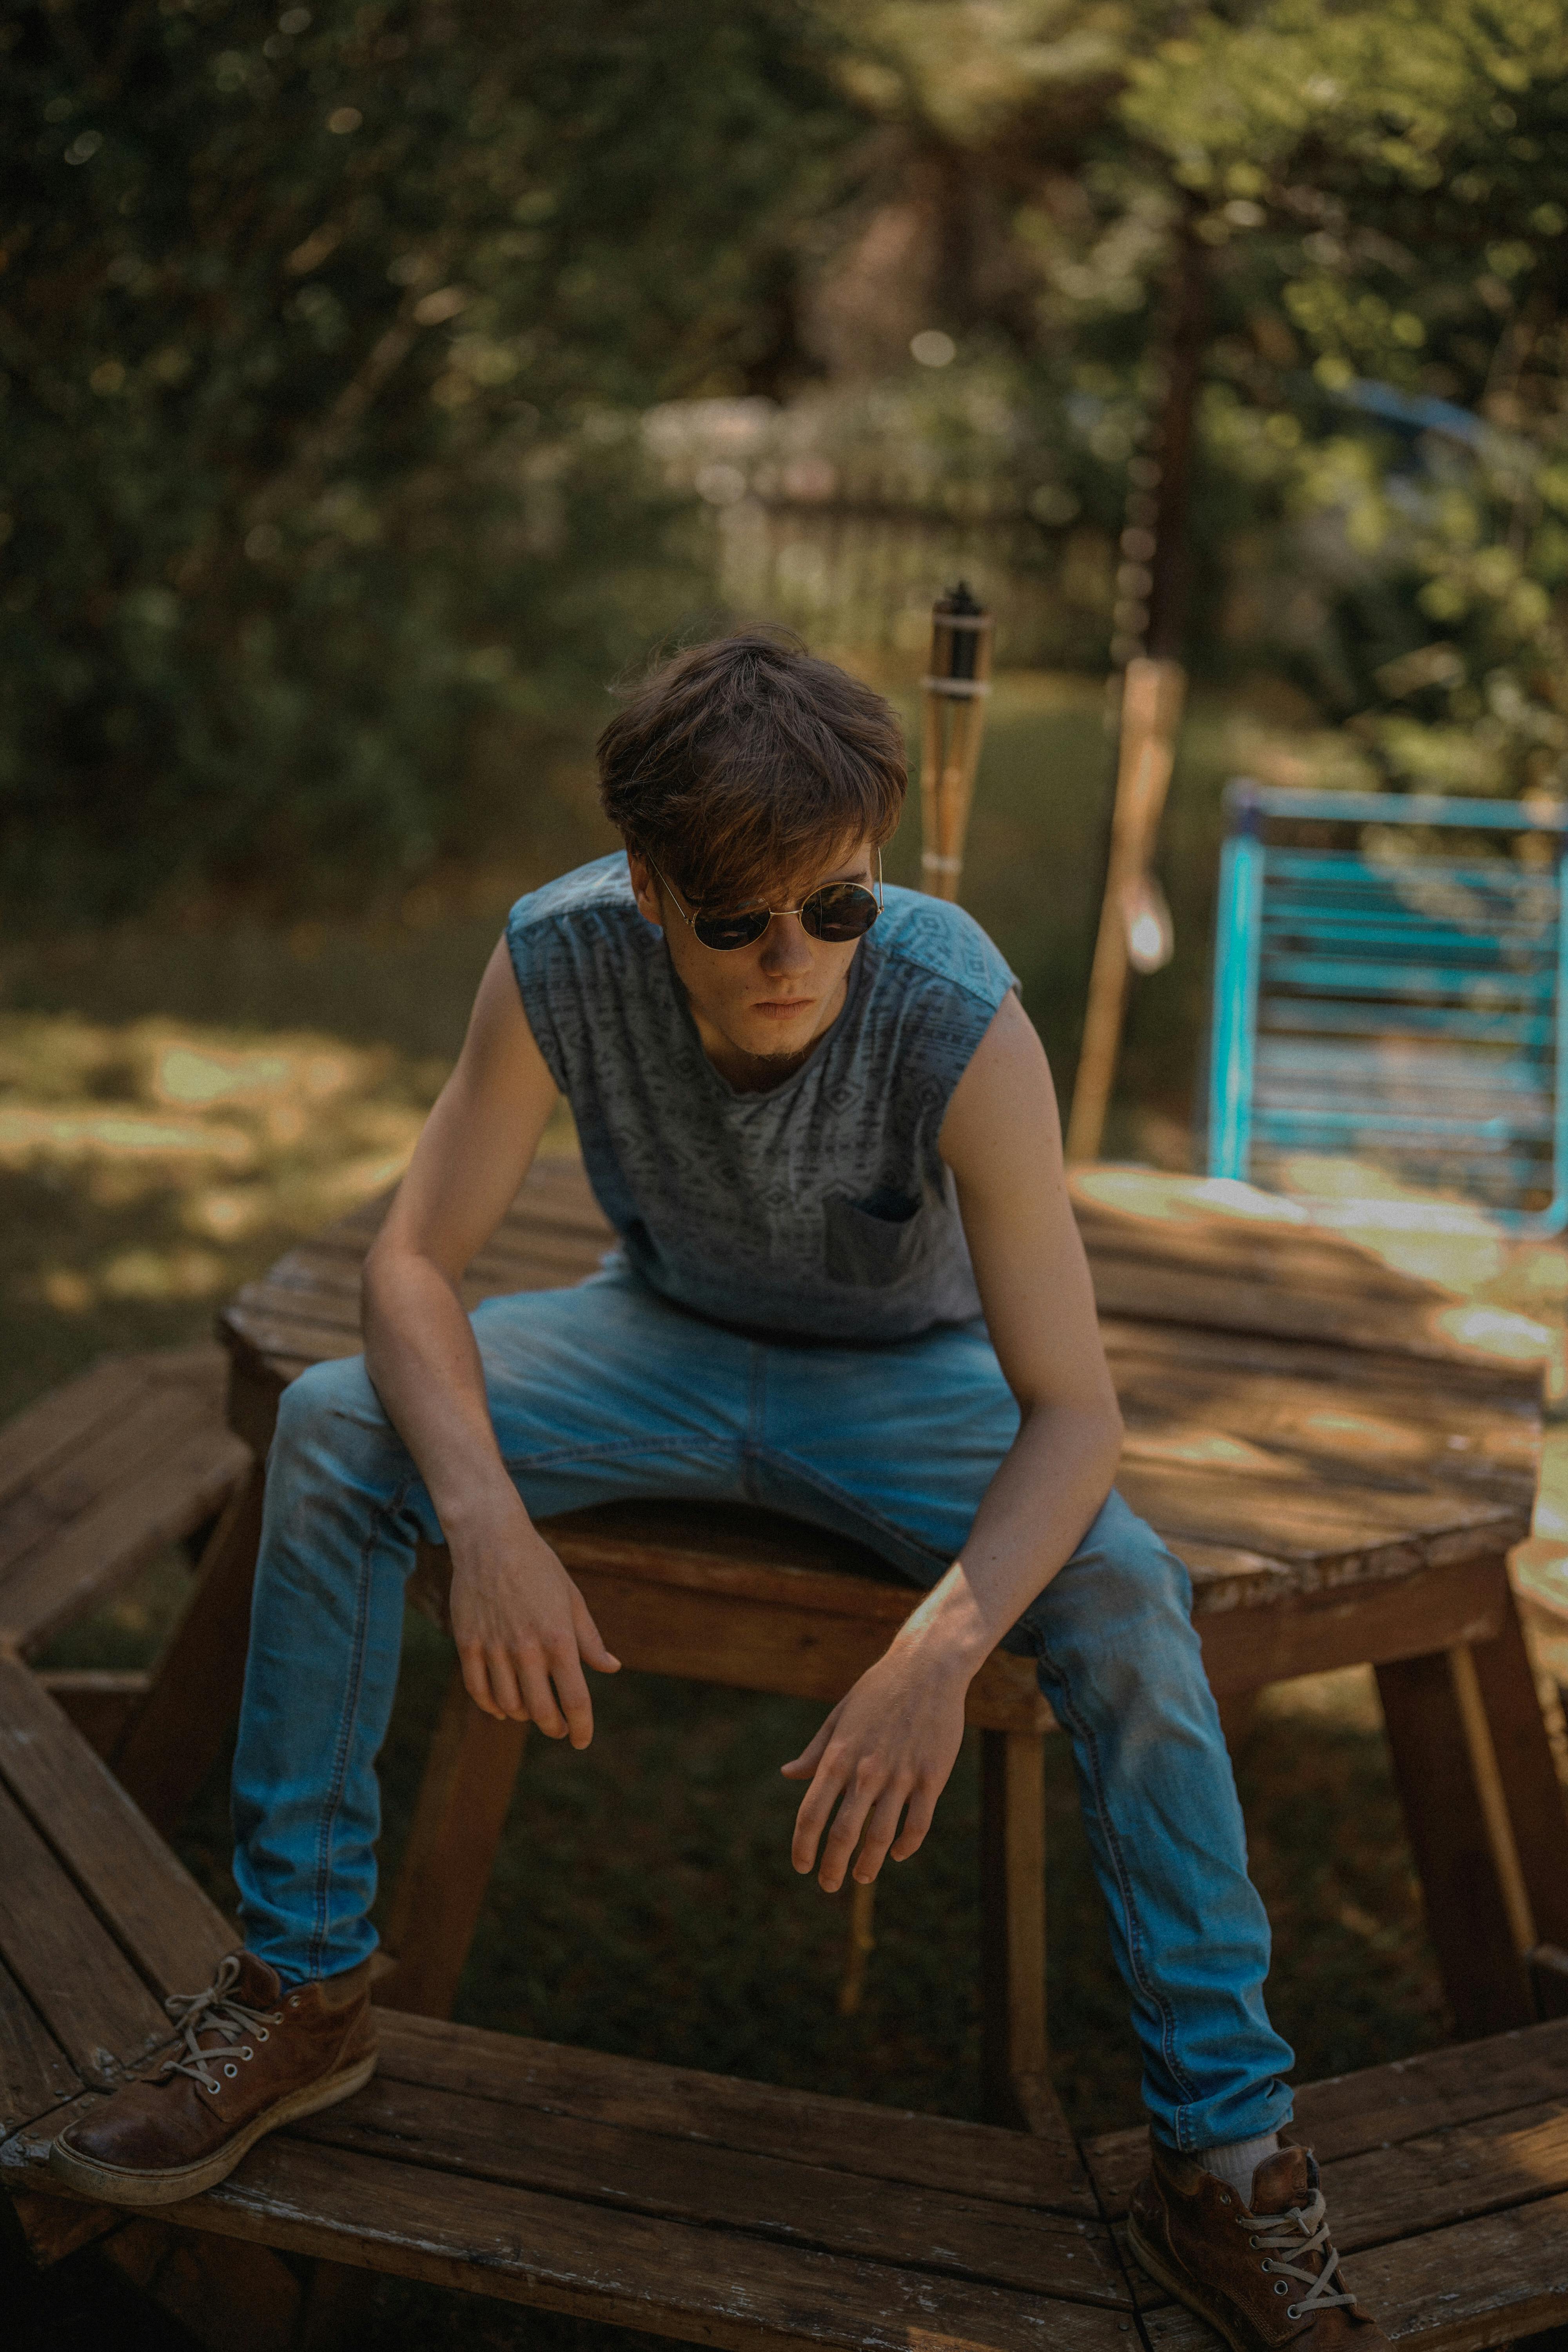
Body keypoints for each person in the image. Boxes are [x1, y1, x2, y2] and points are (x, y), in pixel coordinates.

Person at [51, 633, 1384, 2345]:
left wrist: (932, 1653)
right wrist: (490, 1523)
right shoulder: (554, 958)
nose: (791, 957)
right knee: (330, 1422)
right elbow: (408, 1269)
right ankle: (304, 1992)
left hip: (908, 1386)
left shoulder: (957, 1007)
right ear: (644, 887)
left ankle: (1225, 2161)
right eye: (737, 915)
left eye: (833, 907)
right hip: (652, 1332)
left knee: (1125, 1593)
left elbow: (1073, 1414)